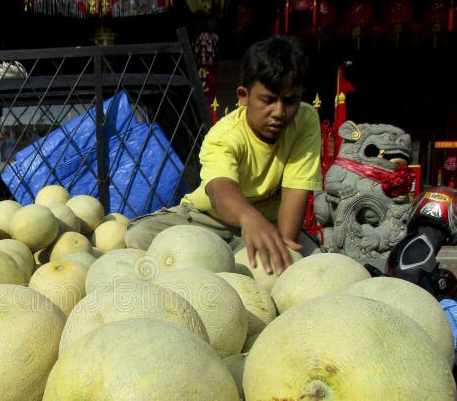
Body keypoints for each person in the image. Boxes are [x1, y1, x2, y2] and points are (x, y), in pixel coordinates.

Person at [125, 34, 323, 275]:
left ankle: (224, 260)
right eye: (268, 100)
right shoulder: (224, 135)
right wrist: (249, 218)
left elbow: (296, 187)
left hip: (268, 225)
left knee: (314, 263)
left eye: (290, 101)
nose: (279, 112)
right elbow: (220, 189)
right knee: (140, 235)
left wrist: (284, 245)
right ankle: (220, 258)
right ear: (243, 96)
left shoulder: (305, 120)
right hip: (208, 220)